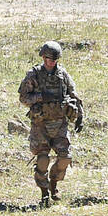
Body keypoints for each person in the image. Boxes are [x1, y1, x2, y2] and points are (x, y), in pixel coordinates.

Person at [18, 41, 83, 205]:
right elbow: (23, 97)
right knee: (42, 160)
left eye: (53, 59)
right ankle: (44, 192)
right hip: (41, 125)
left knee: (65, 158)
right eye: (47, 58)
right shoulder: (34, 75)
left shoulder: (62, 75)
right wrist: (40, 97)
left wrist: (80, 115)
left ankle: (54, 182)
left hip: (60, 124)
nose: (50, 62)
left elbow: (74, 95)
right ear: (42, 57)